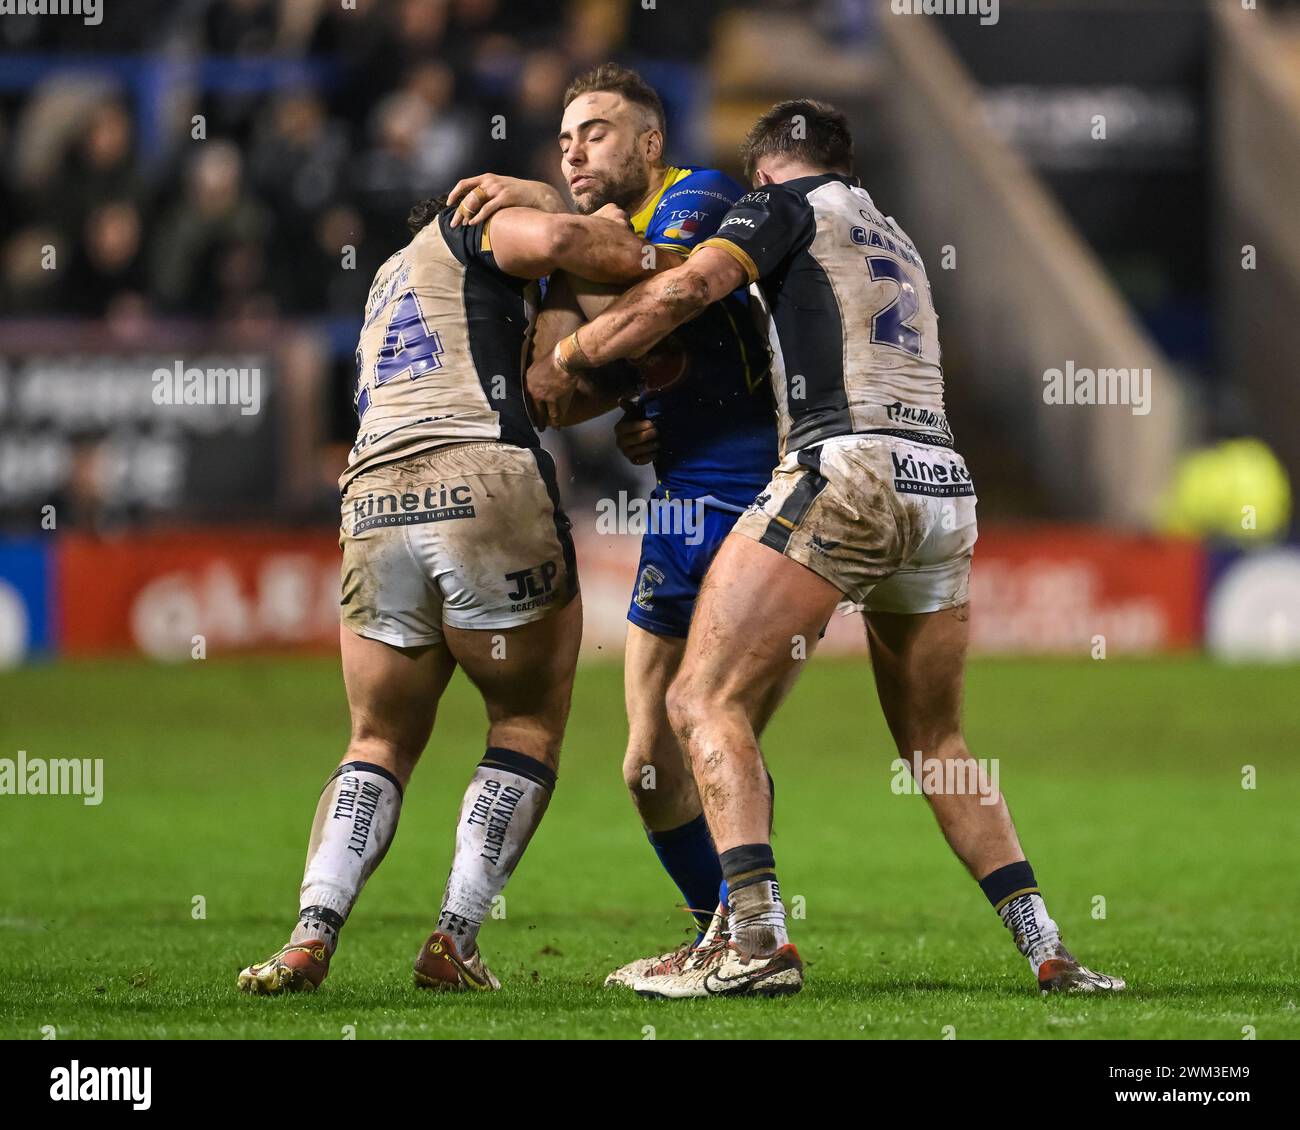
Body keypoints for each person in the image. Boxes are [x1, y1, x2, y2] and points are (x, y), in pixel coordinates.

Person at [526, 100, 1128, 999]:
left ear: (767, 167)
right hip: (943, 488)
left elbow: (689, 288)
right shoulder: (898, 237)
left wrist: (576, 351)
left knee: (701, 696)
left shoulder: (780, 206)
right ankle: (1049, 950)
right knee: (938, 740)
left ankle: (756, 943)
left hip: (847, 471)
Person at [238, 188, 650, 994]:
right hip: (479, 477)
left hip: (373, 496)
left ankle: (308, 935)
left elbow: (535, 381)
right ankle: (455, 937)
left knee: (376, 740)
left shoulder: (389, 286)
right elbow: (567, 238)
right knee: (525, 723)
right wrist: (628, 244)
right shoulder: (472, 231)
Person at [449, 64, 788, 988]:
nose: (574, 147)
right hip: (678, 494)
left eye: (595, 131)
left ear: (649, 144)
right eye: (564, 138)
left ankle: (755, 934)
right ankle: (726, 927)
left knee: (709, 719)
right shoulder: (603, 237)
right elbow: (562, 395)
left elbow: (658, 293)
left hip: (749, 486)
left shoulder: (700, 195)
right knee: (645, 758)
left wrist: (551, 231)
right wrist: (641, 410)